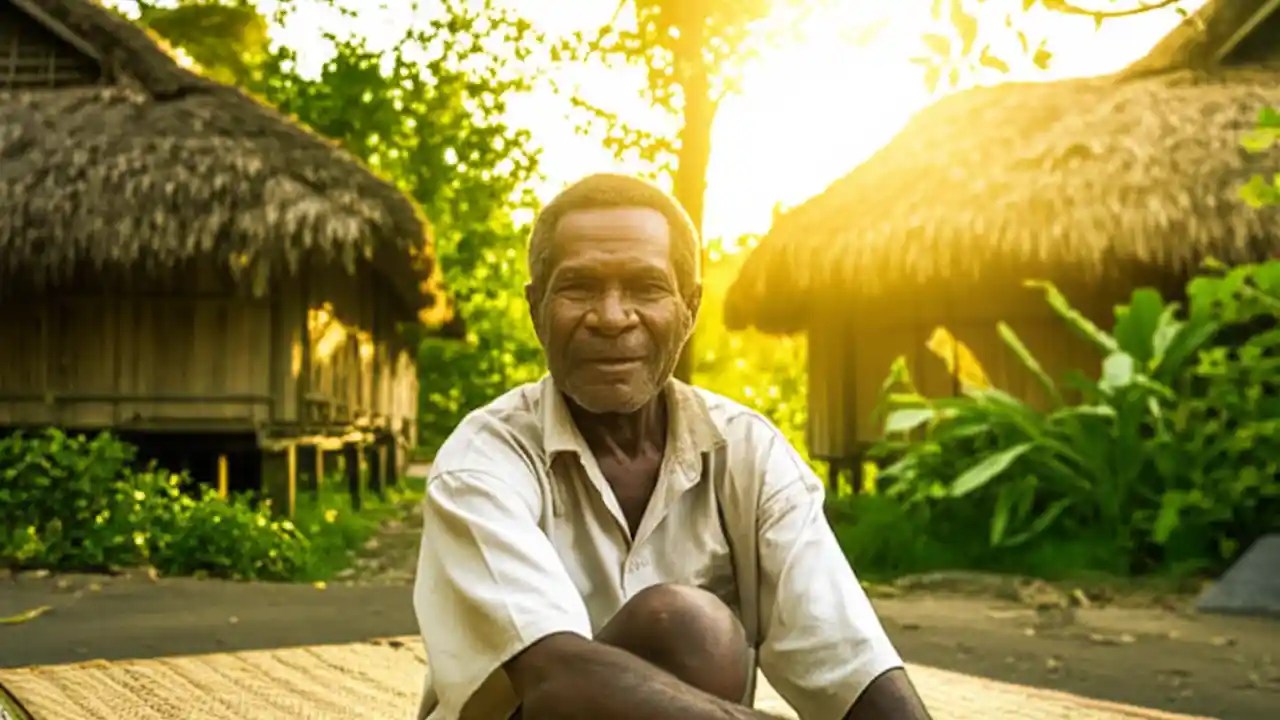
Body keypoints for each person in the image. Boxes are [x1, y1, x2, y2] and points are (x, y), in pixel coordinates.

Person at [412, 173, 931, 720]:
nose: (612, 318)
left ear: (690, 307)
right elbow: (555, 678)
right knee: (685, 625)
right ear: (536, 307)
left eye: (645, 288)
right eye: (580, 287)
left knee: (692, 632)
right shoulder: (482, 461)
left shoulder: (747, 452)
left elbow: (851, 663)